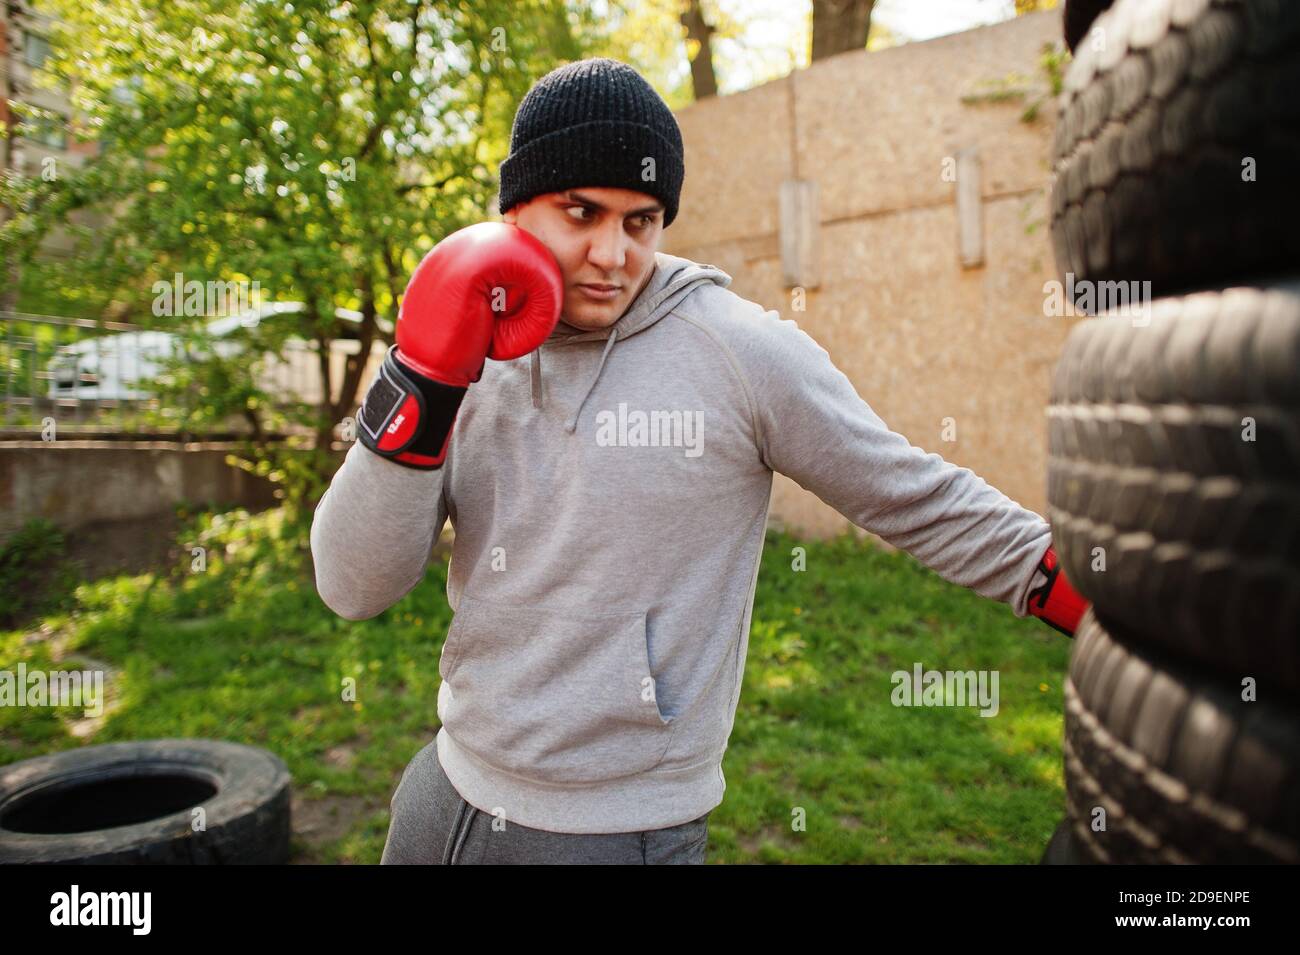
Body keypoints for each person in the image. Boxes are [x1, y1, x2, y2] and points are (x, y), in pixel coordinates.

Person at [309, 57, 1088, 865]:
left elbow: (915, 497)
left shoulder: (739, 351)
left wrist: (1091, 593)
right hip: (443, 795)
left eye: (640, 220)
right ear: (515, 208)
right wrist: (426, 375)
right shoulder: (467, 341)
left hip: (616, 831)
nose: (612, 252)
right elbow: (352, 583)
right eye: (582, 213)